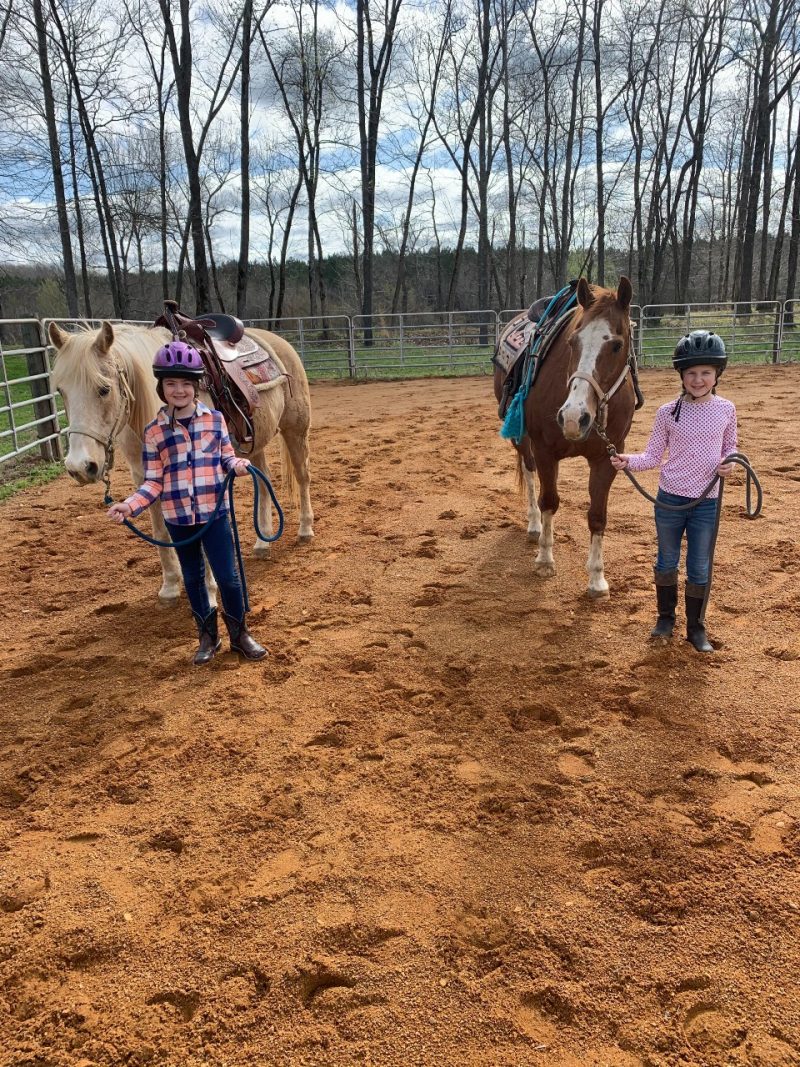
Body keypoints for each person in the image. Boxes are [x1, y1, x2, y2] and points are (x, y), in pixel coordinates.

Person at [107, 339, 267, 665]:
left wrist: (236, 464)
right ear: (161, 388)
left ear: (195, 386)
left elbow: (225, 456)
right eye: (171, 384)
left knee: (228, 577)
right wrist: (130, 505)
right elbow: (153, 481)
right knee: (193, 579)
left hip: (214, 515)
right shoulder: (154, 433)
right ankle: (207, 637)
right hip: (178, 519)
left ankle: (240, 635)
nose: (179, 390)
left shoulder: (215, 420)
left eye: (185, 383)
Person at [610, 330, 737, 653]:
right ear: (681, 375)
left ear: (717, 374)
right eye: (691, 373)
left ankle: (696, 627)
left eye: (706, 372)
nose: (698, 380)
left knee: (699, 565)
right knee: (667, 560)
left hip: (706, 502)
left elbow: (730, 448)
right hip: (670, 499)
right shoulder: (667, 412)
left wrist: (729, 464)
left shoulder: (726, 409)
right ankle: (665, 618)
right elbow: (653, 456)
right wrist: (628, 461)